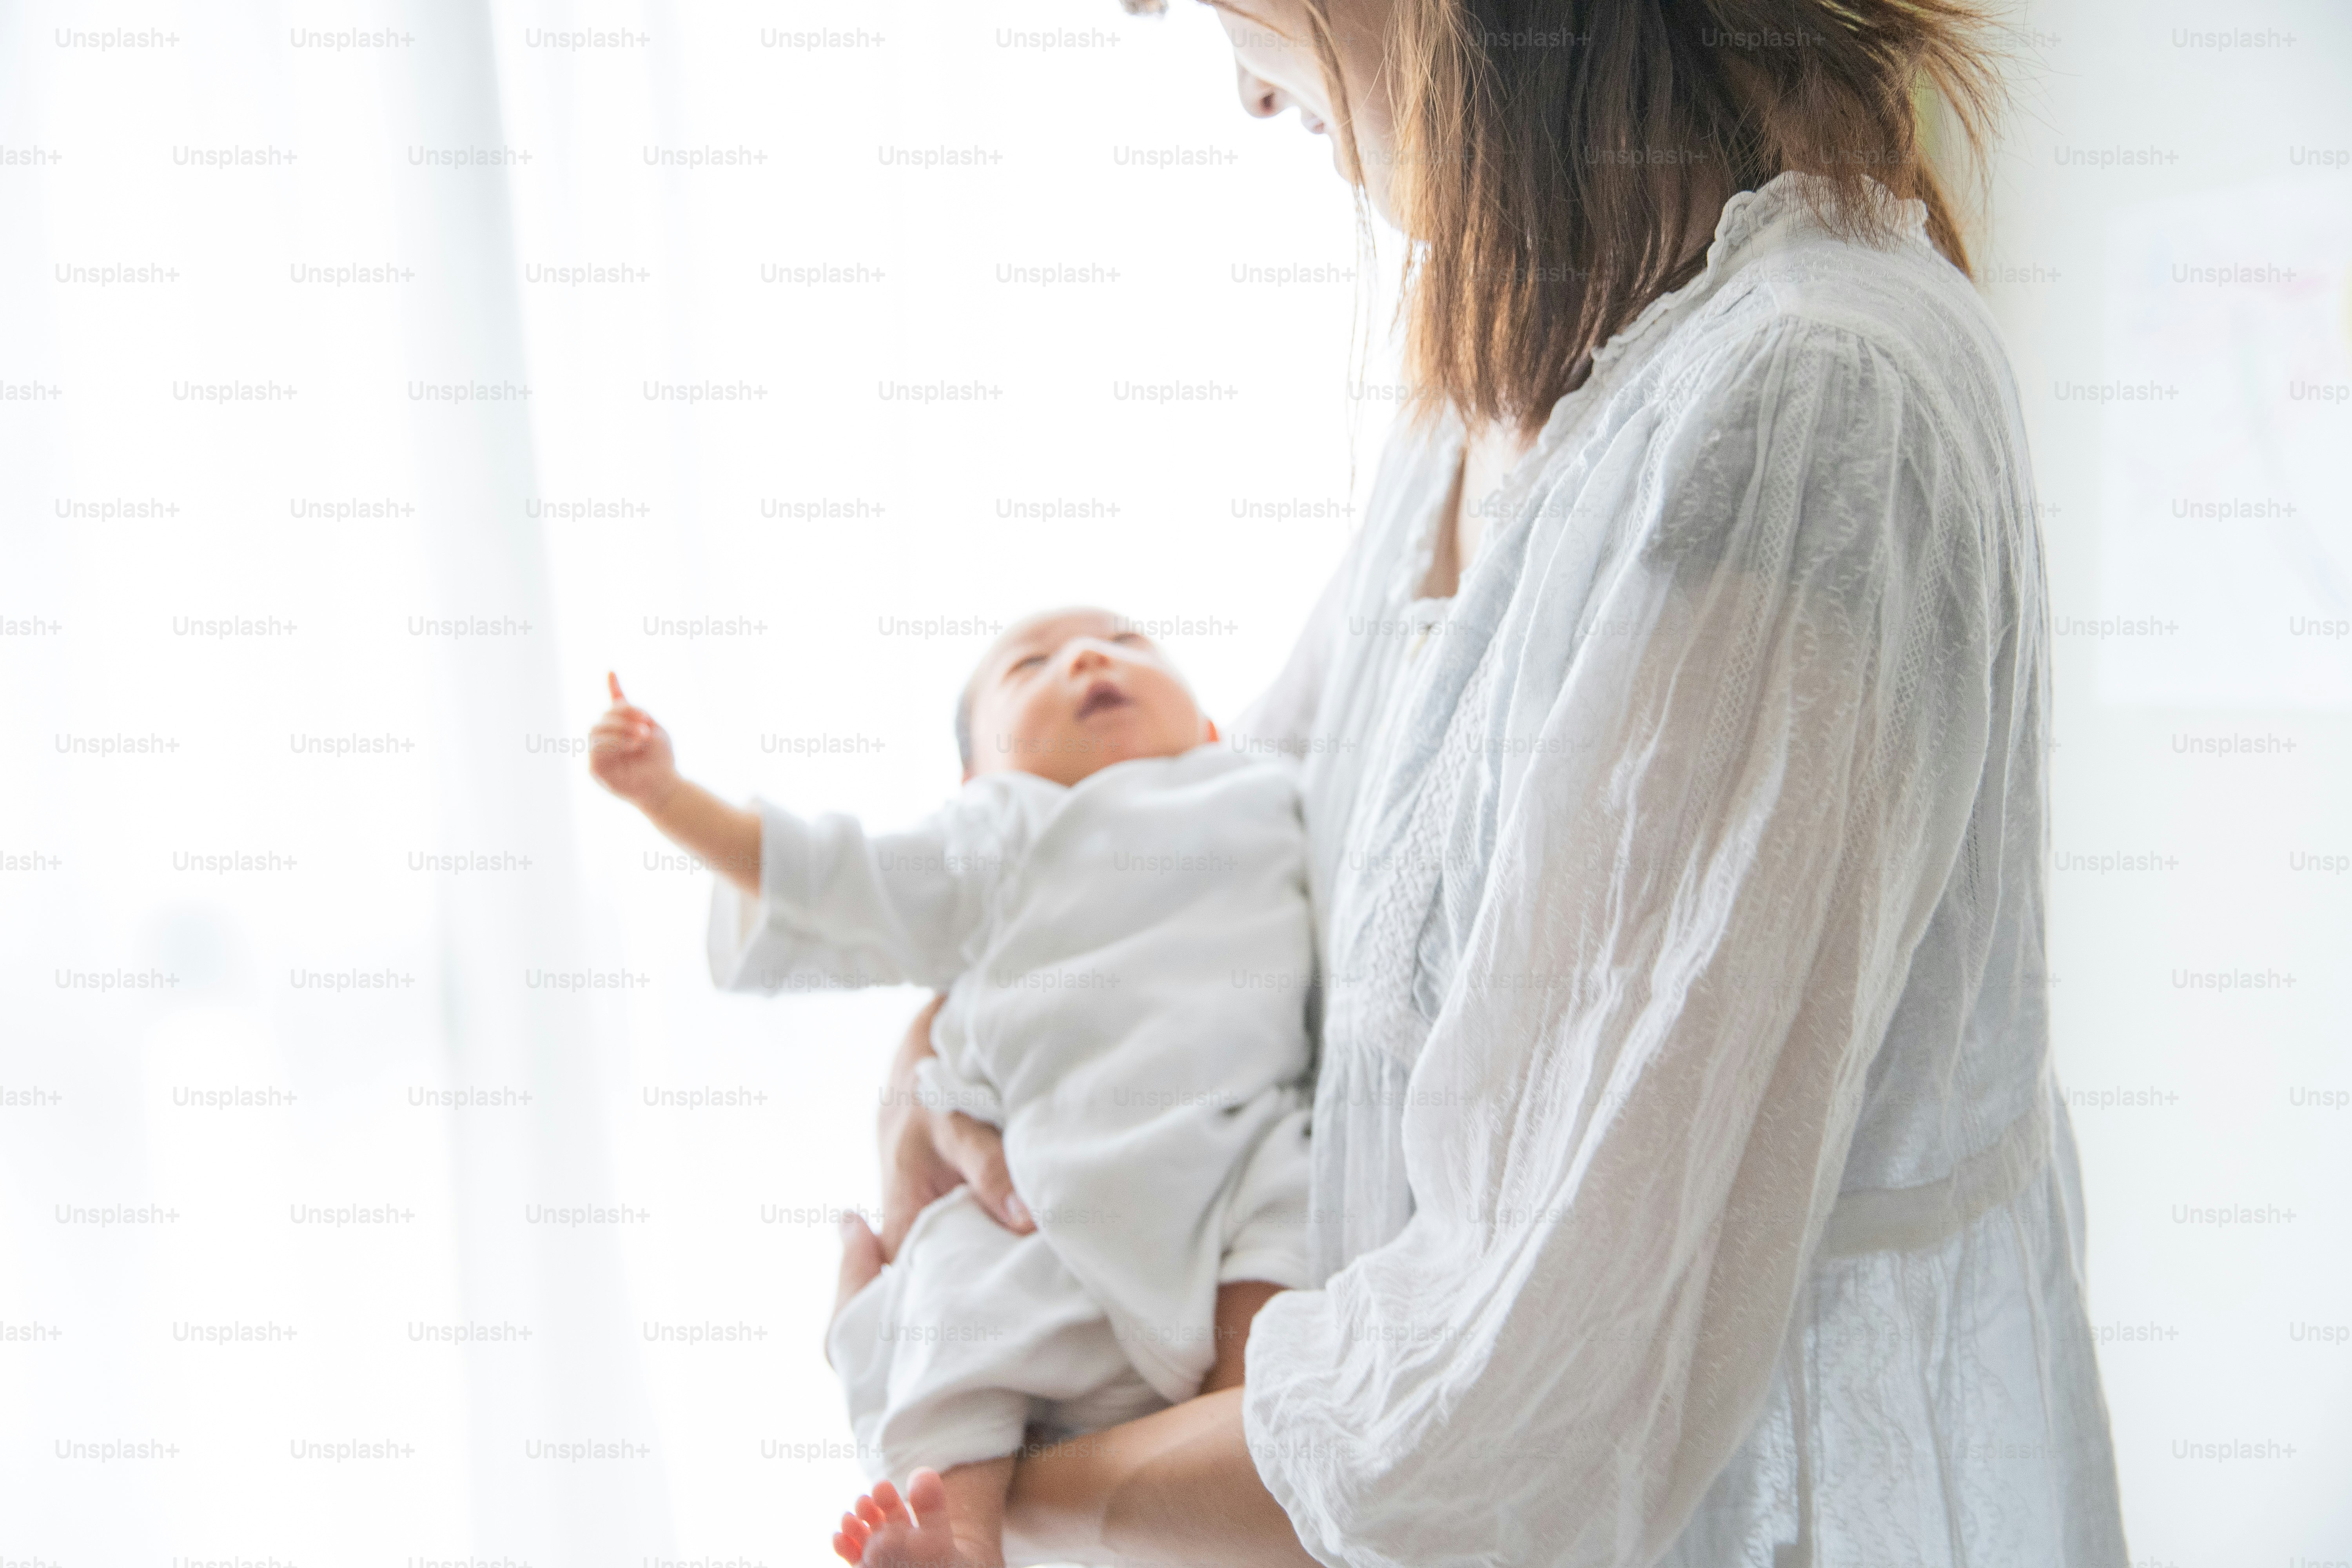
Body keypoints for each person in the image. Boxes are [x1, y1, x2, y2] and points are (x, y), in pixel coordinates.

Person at [846, 2, 2133, 1565]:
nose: (1247, 95)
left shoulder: (1798, 409)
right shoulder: (1511, 366)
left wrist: (993, 1485)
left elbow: (1511, 1411)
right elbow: (1222, 835)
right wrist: (937, 1065)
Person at [586, 608, 1316, 1568]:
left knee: (1294, 1238)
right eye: (1030, 665)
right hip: (1037, 1184)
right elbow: (832, 874)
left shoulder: (1266, 787)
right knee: (952, 1303)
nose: (1088, 658)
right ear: (979, 774)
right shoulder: (1001, 830)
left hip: (1241, 1143)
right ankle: (959, 1538)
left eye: (1128, 642)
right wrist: (672, 798)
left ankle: (1242, 1459)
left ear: (1214, 725)